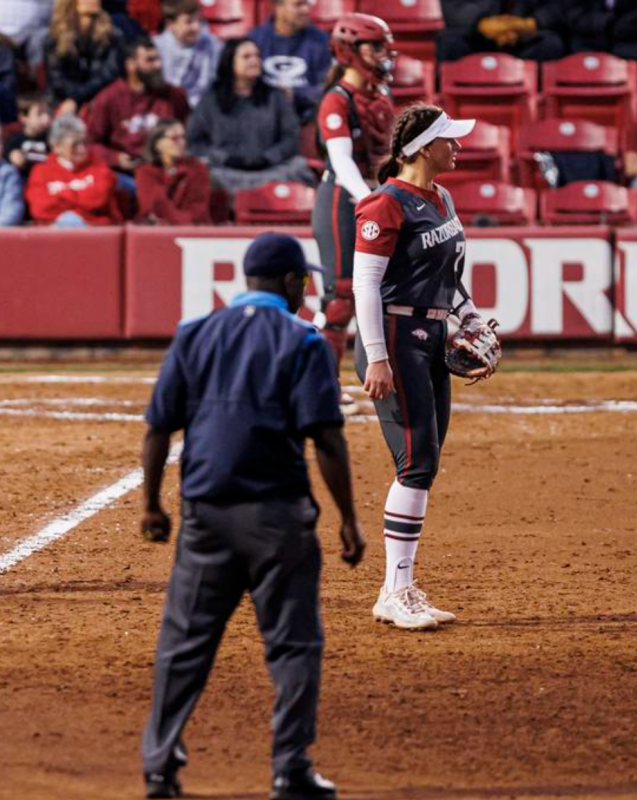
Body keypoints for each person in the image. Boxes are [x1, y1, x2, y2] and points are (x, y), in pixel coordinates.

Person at [139, 232, 365, 800]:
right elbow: (328, 440)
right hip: (278, 517)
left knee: (184, 645)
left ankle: (159, 766)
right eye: (303, 281)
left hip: (206, 517)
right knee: (293, 644)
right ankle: (291, 768)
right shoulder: (306, 342)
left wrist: (151, 505)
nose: (306, 289)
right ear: (290, 282)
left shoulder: (194, 333)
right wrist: (348, 519)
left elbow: (158, 427)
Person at [352, 103, 490, 630]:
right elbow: (366, 284)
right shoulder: (385, 204)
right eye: (449, 140)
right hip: (392, 335)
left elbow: (450, 276)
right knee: (416, 460)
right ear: (424, 148)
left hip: (429, 332)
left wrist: (469, 318)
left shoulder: (442, 197)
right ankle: (395, 590)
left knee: (425, 459)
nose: (457, 147)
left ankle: (400, 586)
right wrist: (378, 357)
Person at [311, 13, 395, 411]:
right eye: (374, 46)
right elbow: (340, 159)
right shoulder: (337, 98)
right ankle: (319, 386)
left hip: (372, 195)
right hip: (342, 199)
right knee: (340, 297)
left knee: (379, 291)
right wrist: (367, 197)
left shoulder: (379, 96)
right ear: (349, 50)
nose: (383, 53)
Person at [187, 37, 313, 194]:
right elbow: (195, 141)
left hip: (271, 172)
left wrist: (269, 157)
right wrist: (224, 158)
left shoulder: (275, 96)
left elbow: (291, 137)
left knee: (299, 166)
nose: (255, 61)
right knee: (200, 174)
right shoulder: (210, 100)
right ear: (229, 62)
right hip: (226, 173)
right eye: (247, 57)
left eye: (257, 56)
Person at [84, 38, 189, 191]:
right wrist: (115, 158)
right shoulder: (109, 98)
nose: (158, 65)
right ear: (131, 65)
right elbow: (90, 143)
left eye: (158, 59)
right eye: (150, 60)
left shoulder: (175, 96)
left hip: (166, 171)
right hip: (127, 174)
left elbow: (189, 134)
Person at [26, 113, 120, 226]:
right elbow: (40, 209)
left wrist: (63, 199)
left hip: (96, 232)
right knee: (68, 220)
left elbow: (98, 201)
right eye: (75, 145)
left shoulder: (100, 168)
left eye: (84, 142)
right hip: (54, 235)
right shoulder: (40, 171)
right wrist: (78, 202)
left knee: (70, 220)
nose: (82, 149)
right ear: (57, 147)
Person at [248, 0, 332, 123]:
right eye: (298, 4)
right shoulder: (254, 40)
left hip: (306, 118)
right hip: (260, 119)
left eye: (307, 4)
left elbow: (327, 89)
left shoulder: (322, 41)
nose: (306, 10)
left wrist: (295, 94)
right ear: (278, 7)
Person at [45, 0, 124, 113]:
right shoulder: (54, 38)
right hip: (62, 99)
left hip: (100, 99)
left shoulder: (113, 36)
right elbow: (57, 80)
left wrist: (77, 99)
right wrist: (73, 99)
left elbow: (109, 74)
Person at [435, 1, 566, 63]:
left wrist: (534, 22)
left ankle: (533, 107)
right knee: (449, 43)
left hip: (523, 37)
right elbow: (453, 8)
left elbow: (558, 6)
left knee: (552, 44)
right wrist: (481, 23)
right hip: (477, 36)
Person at [134, 118, 211, 224]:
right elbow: (153, 206)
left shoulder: (198, 168)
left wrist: (178, 224)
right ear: (157, 144)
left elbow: (197, 209)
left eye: (183, 137)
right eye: (174, 138)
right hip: (158, 232)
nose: (181, 142)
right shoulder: (145, 171)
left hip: (192, 230)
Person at [152, 0, 222, 110]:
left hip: (204, 109)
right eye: (189, 22)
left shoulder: (213, 45)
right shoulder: (156, 47)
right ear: (170, 25)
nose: (196, 27)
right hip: (168, 109)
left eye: (199, 20)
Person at [4, 94, 52, 178]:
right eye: (39, 114)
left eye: (48, 113)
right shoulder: (15, 140)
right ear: (23, 117)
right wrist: (13, 156)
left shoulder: (51, 139)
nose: (46, 118)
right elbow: (8, 155)